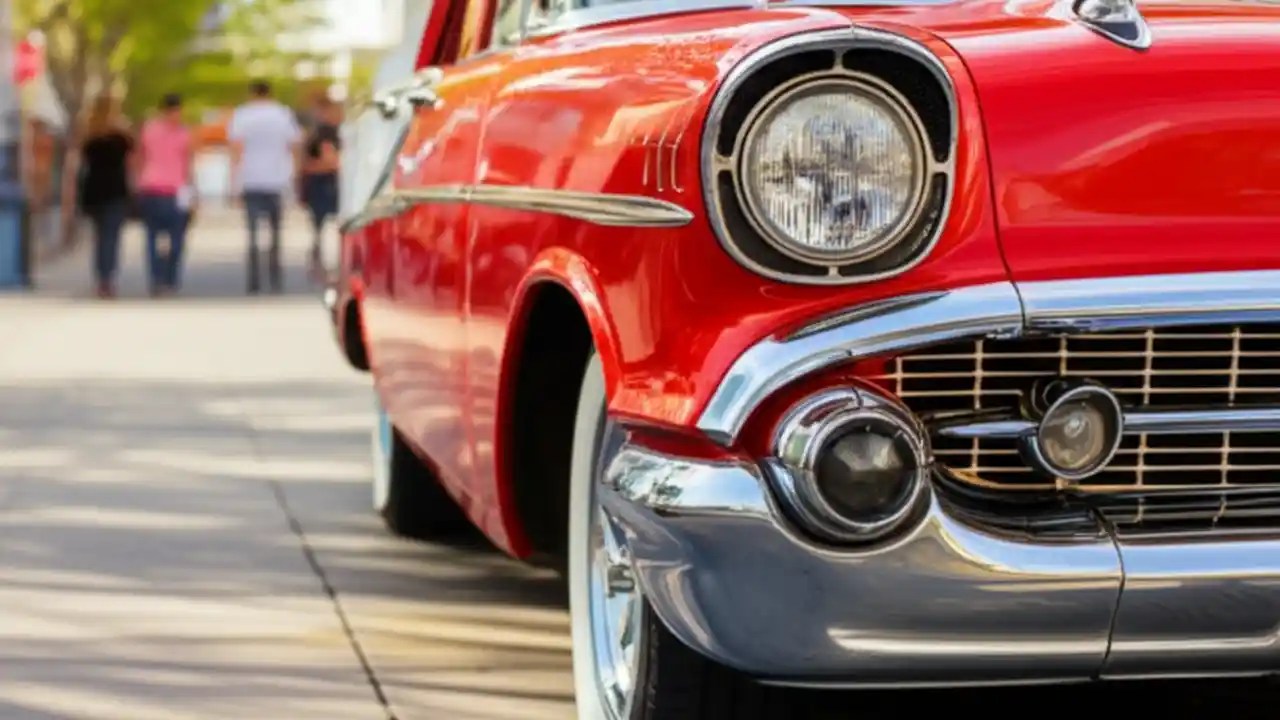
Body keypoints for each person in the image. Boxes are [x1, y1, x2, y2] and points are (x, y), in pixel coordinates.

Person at [228, 79, 302, 294]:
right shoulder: (282, 114)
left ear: (252, 93)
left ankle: (254, 280)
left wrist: (234, 182)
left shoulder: (242, 115)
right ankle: (275, 279)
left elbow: (236, 150)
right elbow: (295, 146)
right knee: (275, 233)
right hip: (277, 179)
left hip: (251, 179)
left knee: (252, 234)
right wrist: (295, 177)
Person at [136, 92, 195, 297]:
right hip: (152, 189)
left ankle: (169, 278)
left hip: (175, 191)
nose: (175, 115)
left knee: (177, 240)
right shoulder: (150, 131)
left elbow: (189, 164)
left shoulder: (184, 134)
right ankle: (157, 279)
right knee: (152, 238)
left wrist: (192, 192)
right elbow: (140, 157)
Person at [77, 96, 134, 299]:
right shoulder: (120, 134)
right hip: (115, 190)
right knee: (111, 237)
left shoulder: (89, 133)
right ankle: (107, 279)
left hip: (94, 190)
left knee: (100, 237)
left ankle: (101, 277)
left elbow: (80, 160)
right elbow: (131, 153)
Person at [300, 97, 342, 283]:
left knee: (321, 225)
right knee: (325, 225)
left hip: (320, 183)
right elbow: (331, 161)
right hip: (325, 183)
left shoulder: (317, 134)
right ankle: (323, 264)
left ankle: (321, 264)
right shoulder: (326, 134)